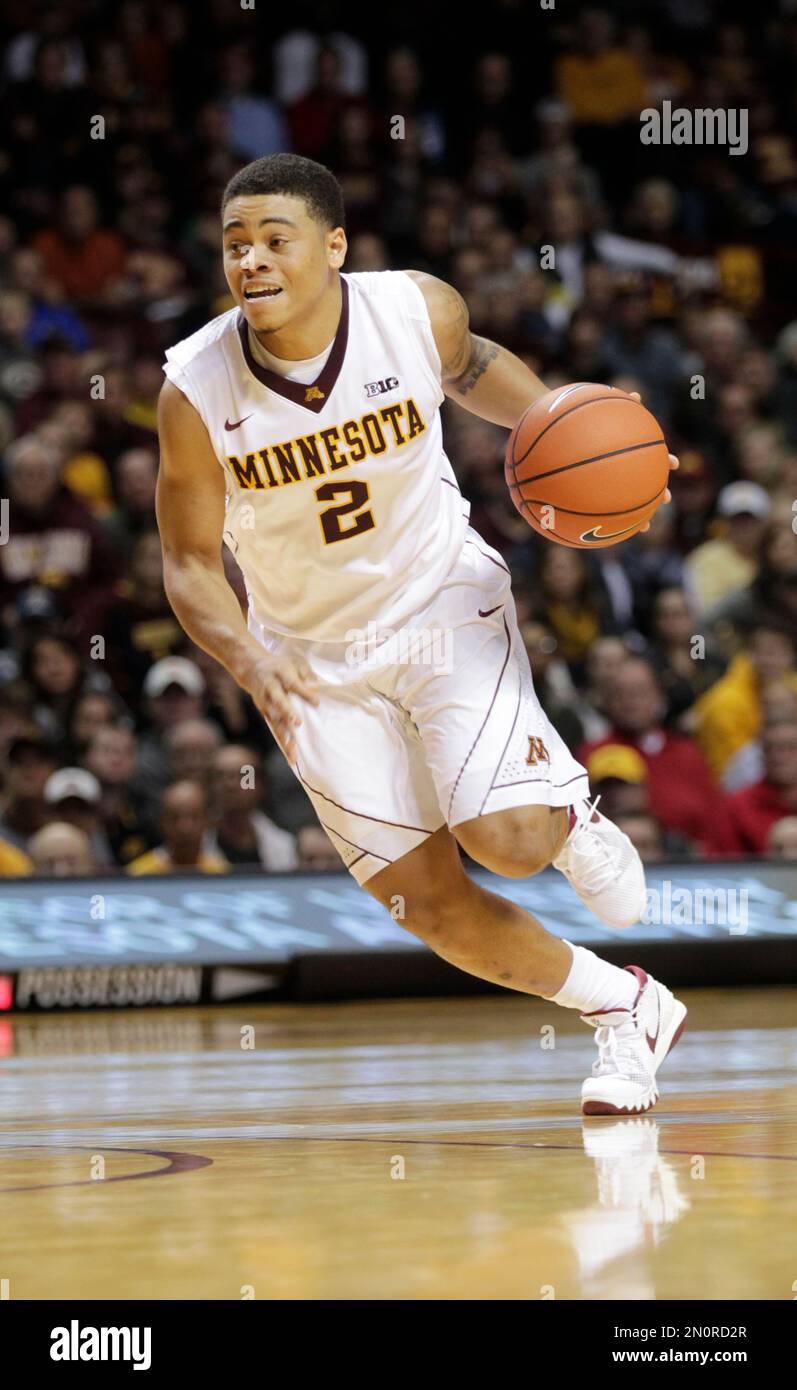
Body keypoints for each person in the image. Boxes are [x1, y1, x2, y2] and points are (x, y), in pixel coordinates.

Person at [156, 152, 682, 1116]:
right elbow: (189, 563)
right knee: (427, 907)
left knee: (509, 843)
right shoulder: (194, 388)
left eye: (276, 241)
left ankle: (567, 818)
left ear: (334, 247)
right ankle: (626, 1010)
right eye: (236, 246)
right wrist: (250, 657)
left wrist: (590, 435)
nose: (253, 262)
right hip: (309, 661)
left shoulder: (413, 310)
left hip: (440, 602)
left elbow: (473, 367)